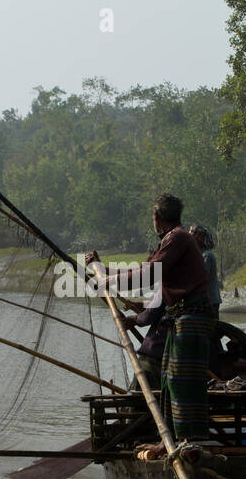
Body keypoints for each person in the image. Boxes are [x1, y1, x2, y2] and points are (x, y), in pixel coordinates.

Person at [86, 193, 214, 457]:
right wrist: (102, 270)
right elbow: (145, 270)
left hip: (191, 318)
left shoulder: (178, 238)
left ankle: (187, 444)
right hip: (180, 320)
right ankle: (168, 442)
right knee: (169, 382)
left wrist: (108, 281)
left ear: (156, 218)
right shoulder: (171, 240)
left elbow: (148, 275)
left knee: (182, 383)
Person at [121, 291, 171, 391]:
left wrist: (134, 320)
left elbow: (149, 315)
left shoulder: (171, 282)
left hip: (155, 356)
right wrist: (138, 305)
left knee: (139, 395)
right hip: (176, 360)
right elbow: (157, 306)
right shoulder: (199, 285)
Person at [188, 224, 221, 323]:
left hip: (210, 301)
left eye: (190, 232)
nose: (188, 234)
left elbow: (201, 278)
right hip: (203, 301)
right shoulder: (198, 255)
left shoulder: (207, 255)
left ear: (198, 237)